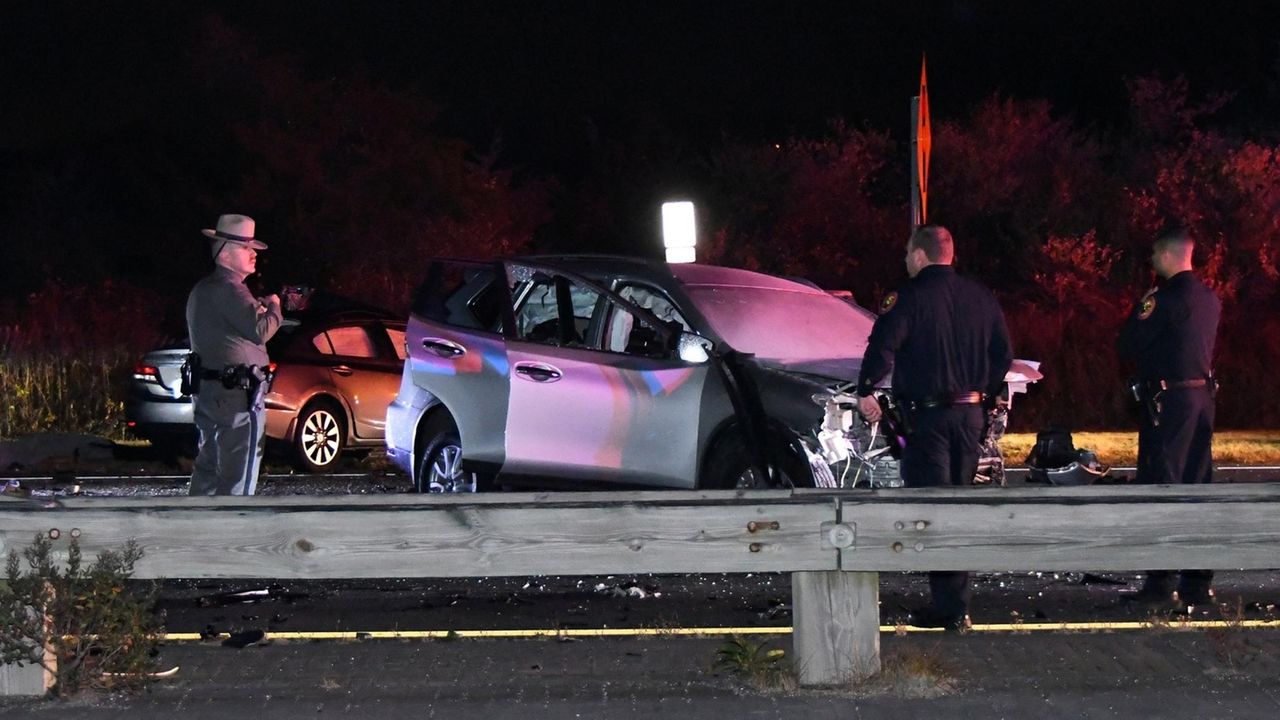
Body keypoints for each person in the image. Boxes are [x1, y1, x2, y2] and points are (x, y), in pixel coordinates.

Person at [855, 225, 1013, 630]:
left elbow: (883, 346)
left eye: (908, 252)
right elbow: (1002, 355)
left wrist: (866, 389)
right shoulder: (981, 297)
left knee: (932, 509)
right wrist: (985, 391)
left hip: (929, 420)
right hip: (971, 417)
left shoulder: (908, 296)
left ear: (921, 256)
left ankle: (949, 607)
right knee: (957, 506)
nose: (905, 260)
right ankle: (955, 602)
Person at [1117, 224, 1221, 606]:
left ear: (1165, 255)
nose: (1151, 261)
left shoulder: (1161, 299)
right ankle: (1197, 582)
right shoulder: (1210, 297)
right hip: (1201, 400)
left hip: (1168, 404)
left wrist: (1140, 306)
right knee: (1197, 485)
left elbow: (1128, 343)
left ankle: (1159, 583)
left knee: (1162, 485)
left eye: (1153, 256)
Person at [186, 214, 283, 496]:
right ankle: (234, 536)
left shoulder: (204, 290)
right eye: (246, 248)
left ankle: (195, 531)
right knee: (238, 475)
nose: (254, 254)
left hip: (209, 393)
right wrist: (275, 307)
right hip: (236, 400)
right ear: (226, 253)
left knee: (208, 468)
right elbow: (260, 330)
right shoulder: (231, 290)